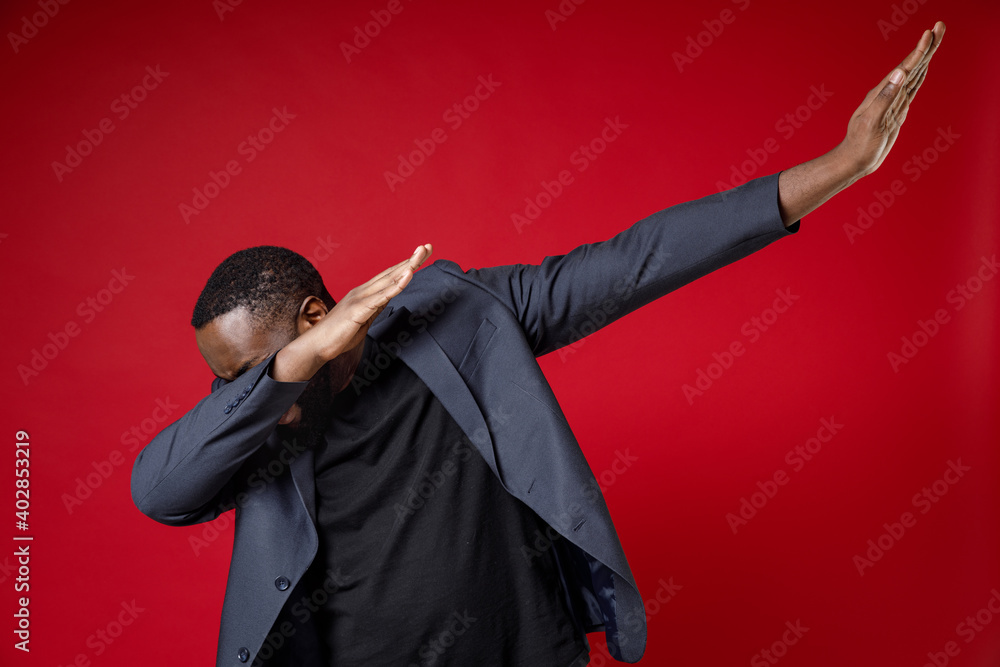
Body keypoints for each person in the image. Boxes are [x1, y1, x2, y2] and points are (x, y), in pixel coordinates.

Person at [131, 22, 945, 667]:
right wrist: (286, 370)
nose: (245, 389)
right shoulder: (250, 414)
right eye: (238, 379)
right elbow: (157, 492)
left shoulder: (458, 311)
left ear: (317, 313)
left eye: (256, 364)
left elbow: (635, 262)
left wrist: (840, 165)